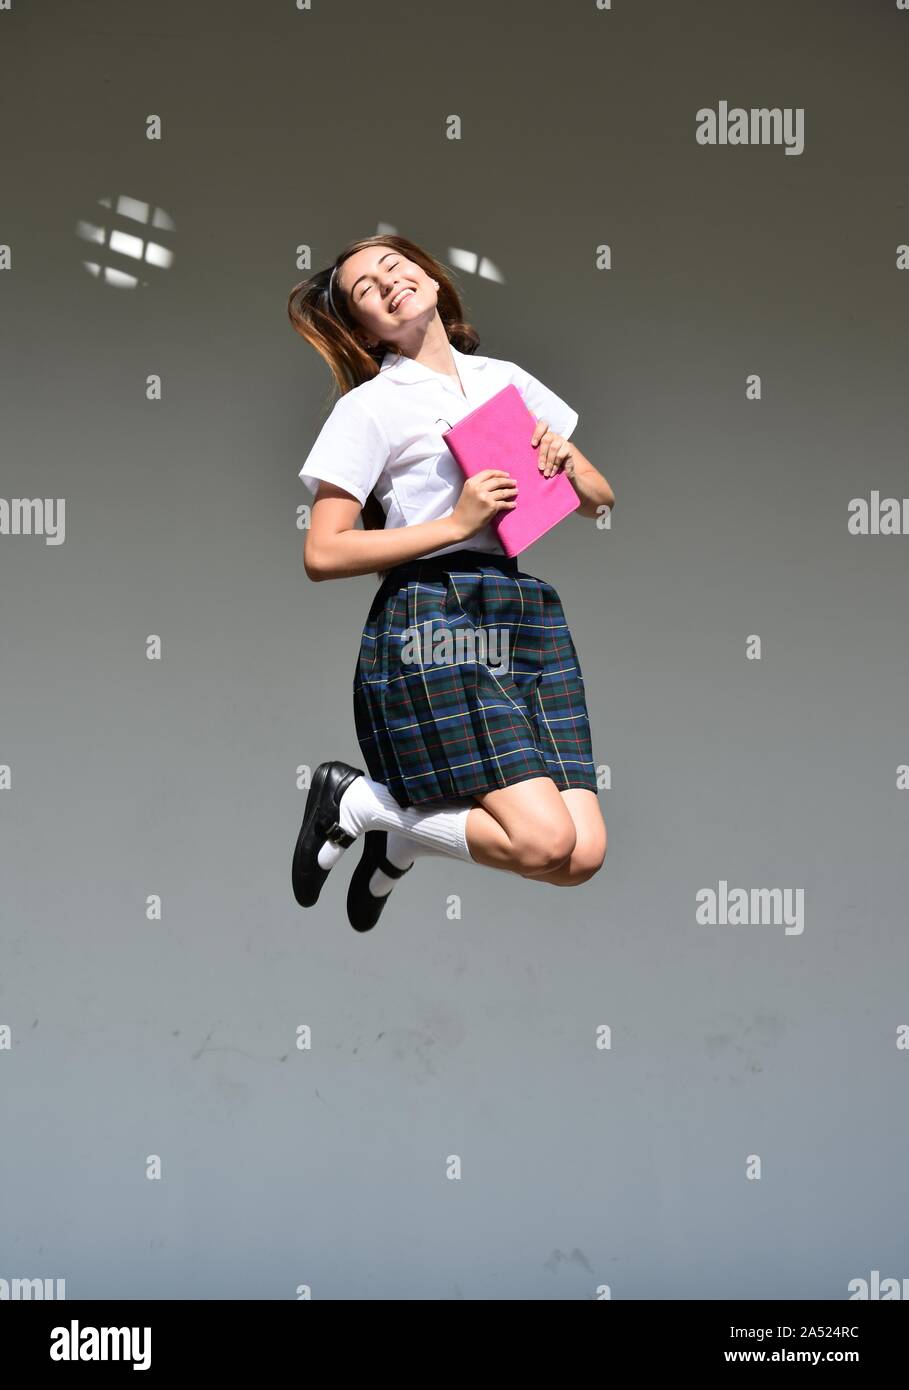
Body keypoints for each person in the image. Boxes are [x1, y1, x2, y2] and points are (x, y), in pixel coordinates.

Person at [287, 234, 615, 932]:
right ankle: (361, 804)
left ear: (431, 277)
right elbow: (322, 552)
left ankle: (401, 835)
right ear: (363, 327)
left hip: (520, 609)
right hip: (434, 614)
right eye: (365, 290)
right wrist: (456, 521)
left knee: (581, 855)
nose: (387, 283)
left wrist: (565, 463)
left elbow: (600, 498)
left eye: (395, 266)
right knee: (541, 839)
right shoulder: (369, 408)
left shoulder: (507, 380)